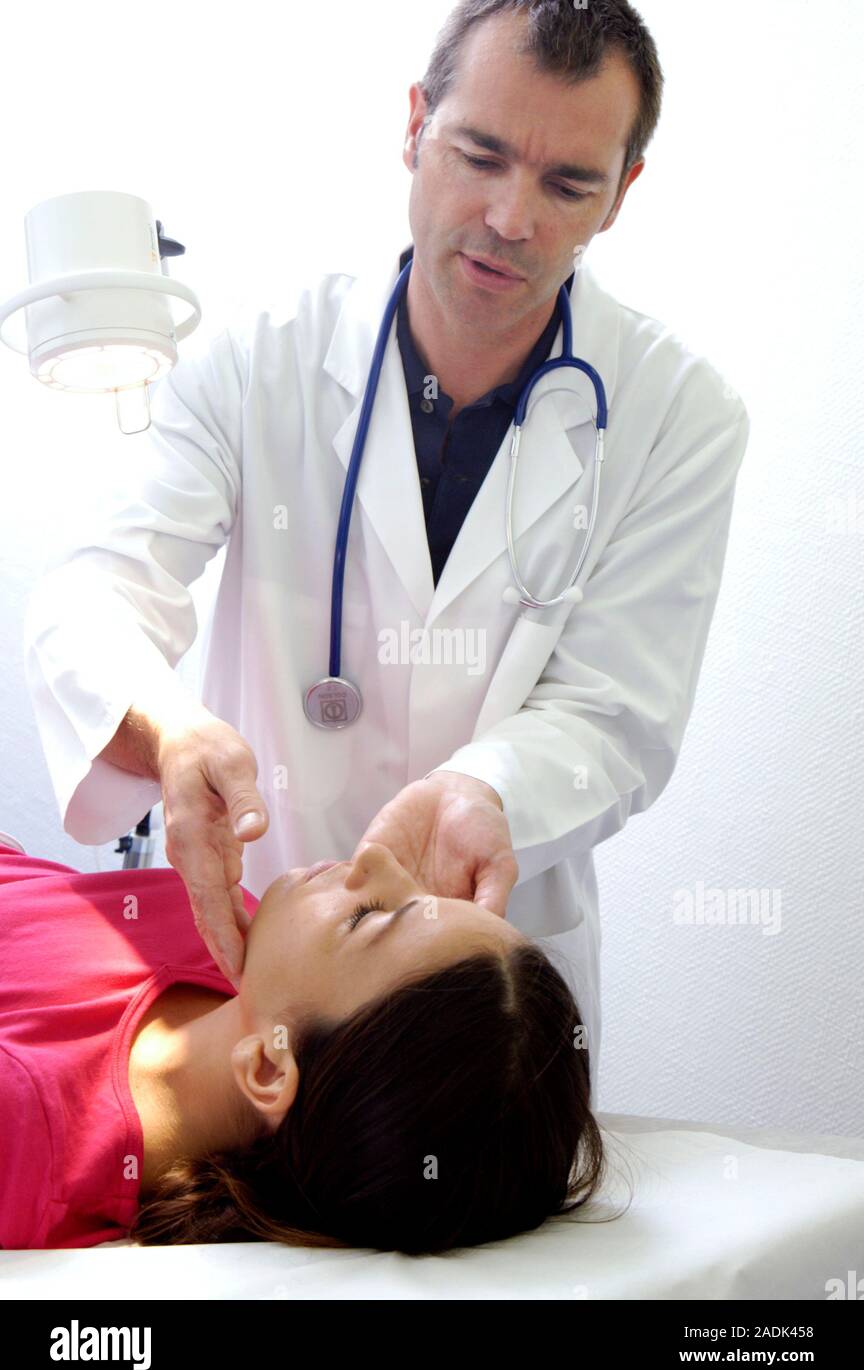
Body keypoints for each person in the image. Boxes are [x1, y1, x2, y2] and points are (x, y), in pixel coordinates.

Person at [23, 0, 750, 1098]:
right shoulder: (263, 356)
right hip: (261, 978)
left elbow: (618, 715)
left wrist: (486, 793)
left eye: (568, 185)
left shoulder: (680, 414)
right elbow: (94, 589)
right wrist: (165, 728)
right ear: (415, 126)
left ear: (623, 194)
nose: (511, 218)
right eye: (481, 155)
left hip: (482, 1020)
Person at [0, 839, 605, 1251]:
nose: (378, 857)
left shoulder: (27, 1128)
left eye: (366, 915)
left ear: (267, 1069)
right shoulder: (231, 932)